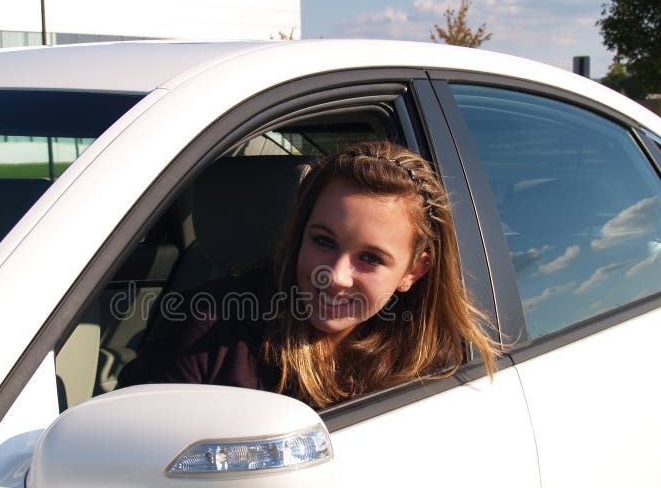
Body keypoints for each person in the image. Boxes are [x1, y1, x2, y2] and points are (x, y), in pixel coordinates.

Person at [118, 141, 499, 409]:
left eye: (370, 258)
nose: (334, 276)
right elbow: (128, 455)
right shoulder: (208, 329)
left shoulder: (437, 357)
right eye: (323, 241)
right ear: (301, 230)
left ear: (414, 271)